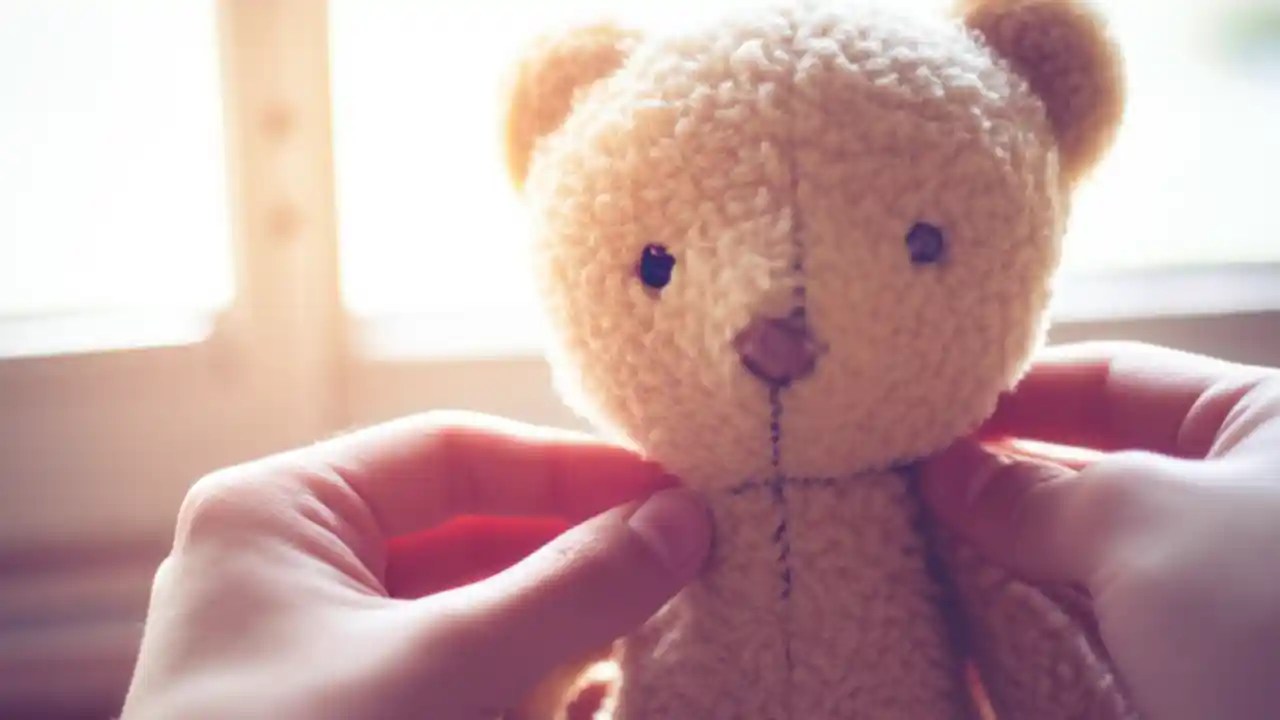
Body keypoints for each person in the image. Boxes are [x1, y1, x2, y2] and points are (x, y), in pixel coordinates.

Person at [121, 342, 1280, 720]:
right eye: (662, 266)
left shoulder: (960, 512)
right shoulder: (645, 532)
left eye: (920, 244)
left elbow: (1044, 656)